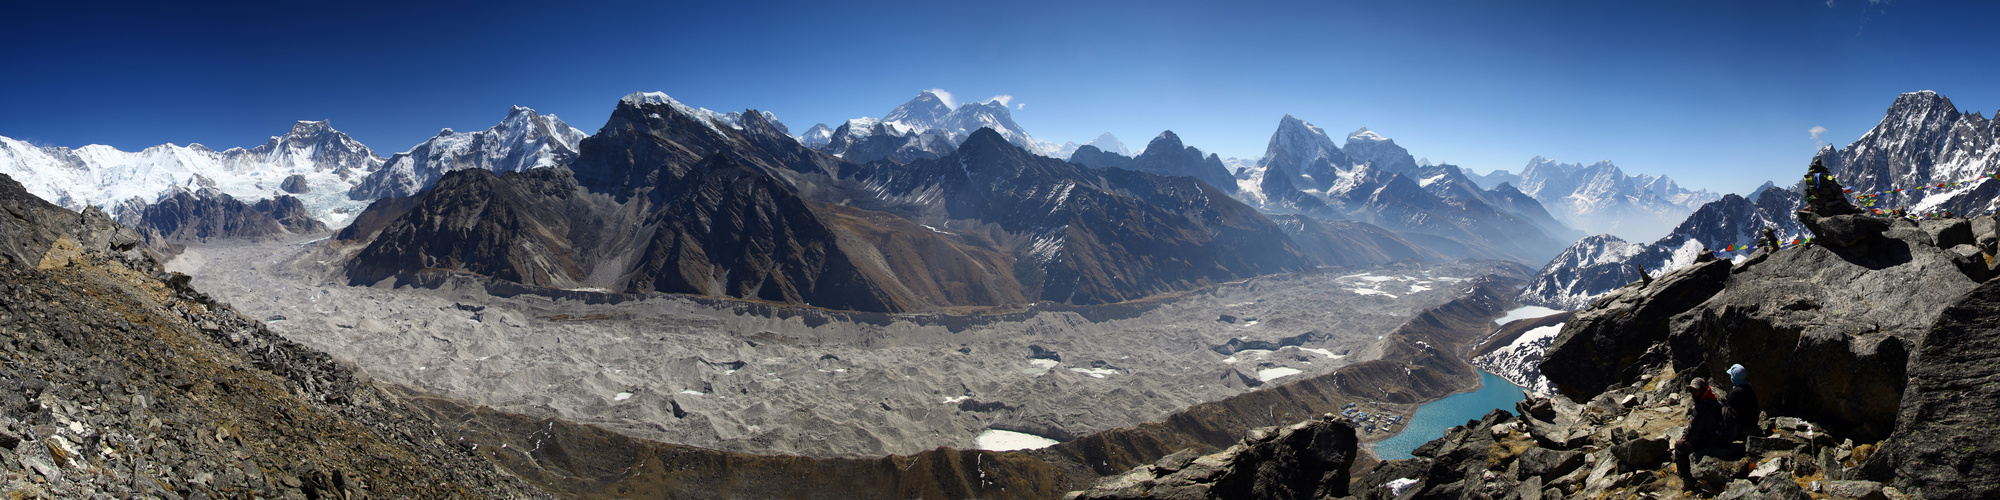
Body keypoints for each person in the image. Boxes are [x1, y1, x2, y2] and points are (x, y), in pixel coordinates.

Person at [1675, 377, 1724, 482]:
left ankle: (1686, 478)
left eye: (1695, 390)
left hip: (1707, 441)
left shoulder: (1701, 407)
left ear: (1702, 390)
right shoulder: (1713, 400)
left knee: (1679, 446)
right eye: (1691, 390)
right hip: (1718, 436)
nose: (1693, 393)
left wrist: (1686, 437)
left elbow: (1692, 432)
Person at [1724, 364, 1759, 440]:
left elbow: (1726, 407)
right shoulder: (1749, 388)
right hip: (1752, 424)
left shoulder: (1735, 392)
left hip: (1741, 427)